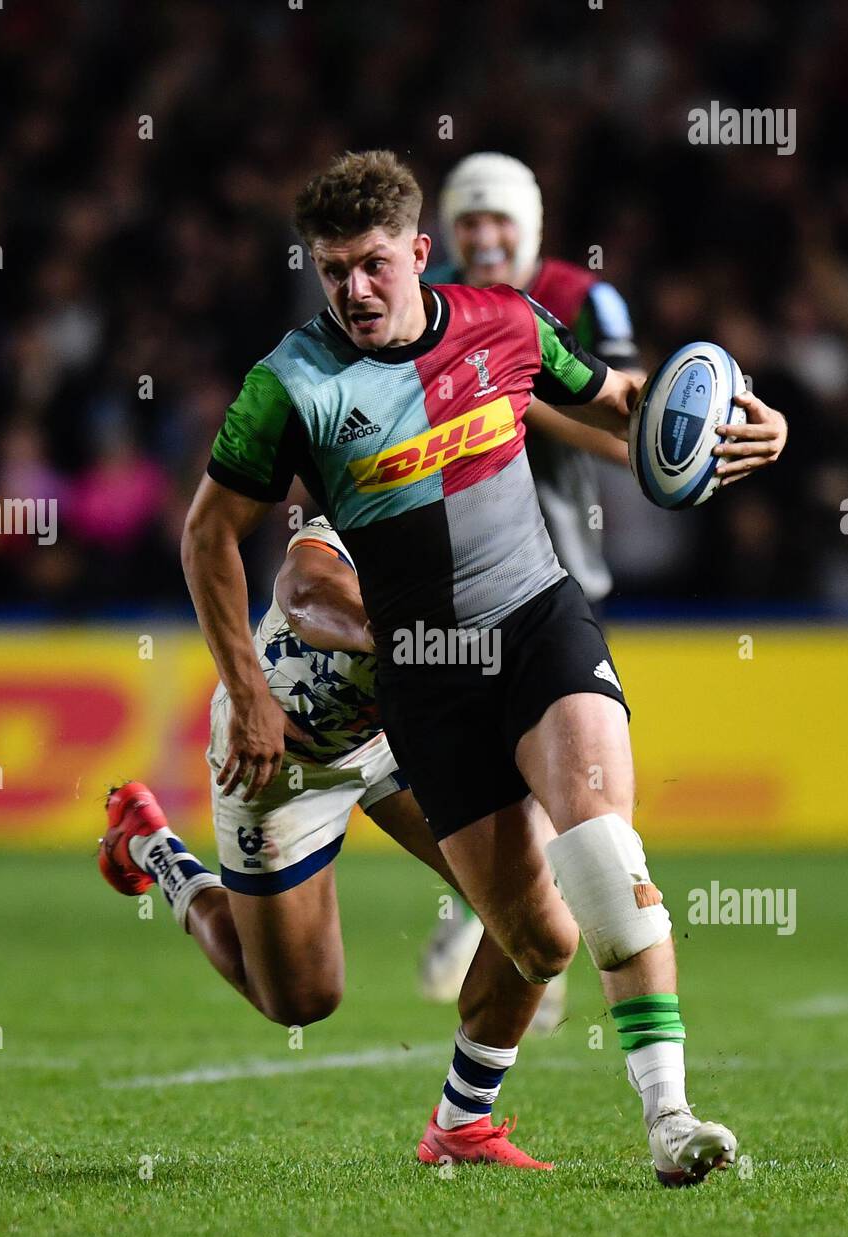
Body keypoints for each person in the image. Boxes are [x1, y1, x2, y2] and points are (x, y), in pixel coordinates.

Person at [179, 150, 788, 1183]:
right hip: (427, 684)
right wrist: (245, 691)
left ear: (418, 251)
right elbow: (208, 536)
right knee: (533, 942)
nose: (355, 291)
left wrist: (738, 420)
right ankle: (459, 1121)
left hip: (539, 621)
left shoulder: (505, 324)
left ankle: (672, 1119)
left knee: (604, 853)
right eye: (332, 272)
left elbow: (618, 401)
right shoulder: (289, 386)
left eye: (373, 264)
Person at [99, 514, 554, 1167]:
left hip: (397, 742)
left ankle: (462, 1122)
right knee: (302, 1000)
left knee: (537, 910)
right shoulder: (388, 492)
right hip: (281, 752)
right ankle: (156, 851)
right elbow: (307, 590)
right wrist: (412, 645)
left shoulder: (506, 530)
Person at [421, 151, 639, 1016]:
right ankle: (504, 918)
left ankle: (505, 925)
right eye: (467, 220)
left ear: (531, 226)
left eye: (498, 220)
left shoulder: (585, 299)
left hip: (559, 571)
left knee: (560, 770)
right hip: (451, 576)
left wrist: (508, 385)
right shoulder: (418, 293)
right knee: (471, 770)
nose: (481, 237)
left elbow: (626, 429)